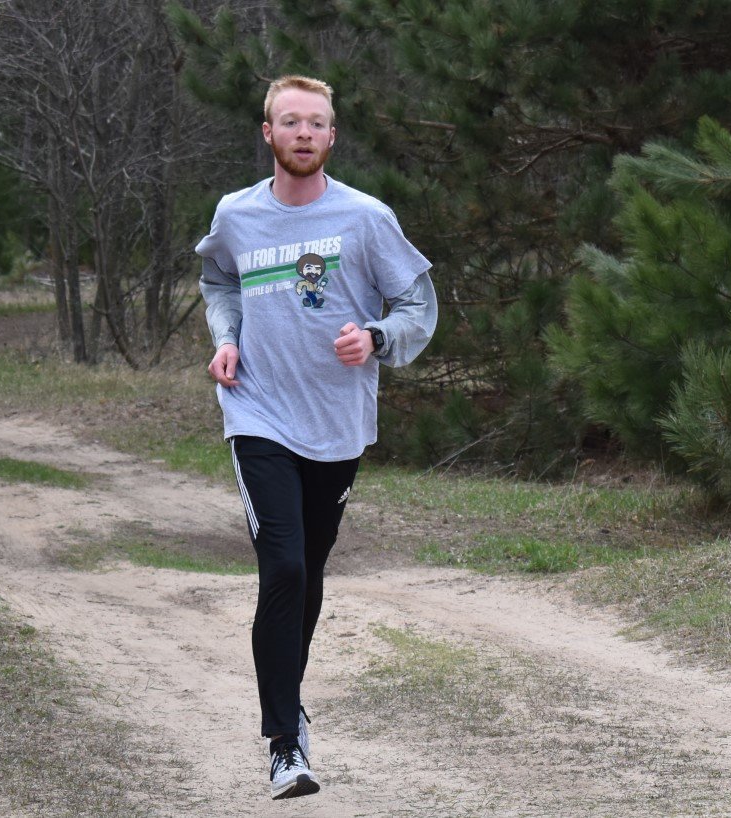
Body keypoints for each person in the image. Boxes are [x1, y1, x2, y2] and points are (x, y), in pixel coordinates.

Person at [195, 75, 437, 799]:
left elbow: (416, 302)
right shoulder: (236, 215)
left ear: (332, 138)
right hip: (257, 411)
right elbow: (218, 280)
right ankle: (284, 743)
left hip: (336, 426)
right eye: (289, 121)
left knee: (312, 571)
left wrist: (377, 337)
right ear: (267, 134)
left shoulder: (364, 219)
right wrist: (227, 338)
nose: (303, 132)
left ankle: (288, 700)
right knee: (286, 569)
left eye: (317, 123)